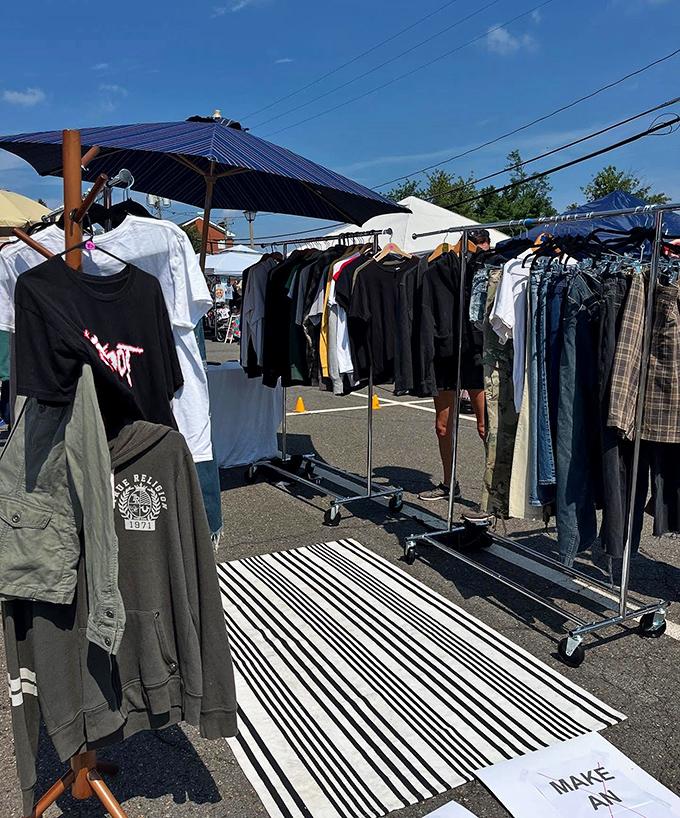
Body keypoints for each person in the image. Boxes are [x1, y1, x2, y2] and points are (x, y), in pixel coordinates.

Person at [419, 231, 489, 502]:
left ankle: (495, 491)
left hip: (477, 353)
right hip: (444, 354)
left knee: (484, 427)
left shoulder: (485, 268)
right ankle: (449, 483)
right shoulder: (431, 269)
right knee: (442, 426)